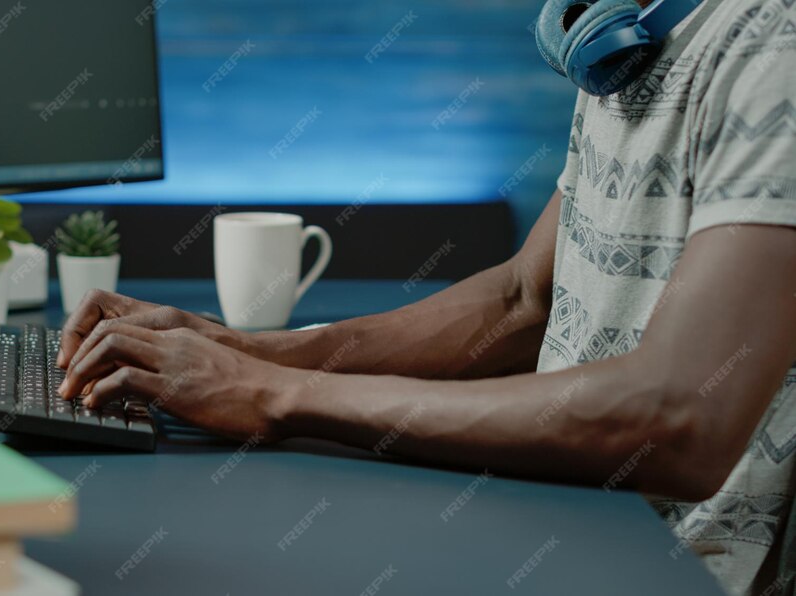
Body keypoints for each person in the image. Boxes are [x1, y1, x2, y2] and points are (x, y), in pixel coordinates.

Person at [56, 0, 795, 593]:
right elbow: (518, 301)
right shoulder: (615, 38)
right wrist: (244, 349)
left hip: (668, 564)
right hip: (567, 508)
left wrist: (277, 391)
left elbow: (680, 417)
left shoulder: (773, 45)